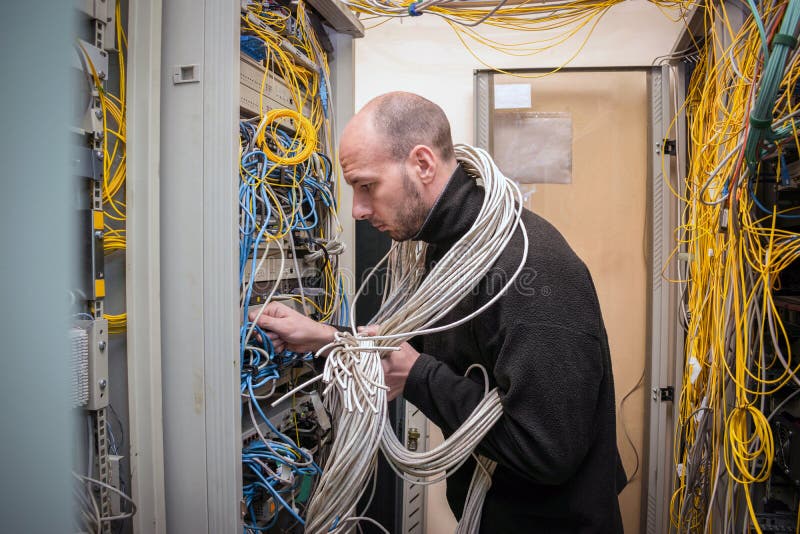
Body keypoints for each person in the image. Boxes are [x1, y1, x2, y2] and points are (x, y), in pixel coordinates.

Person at [251, 91, 627, 533]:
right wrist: (324, 336)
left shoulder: (529, 269)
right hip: (493, 512)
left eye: (367, 186)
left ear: (423, 164)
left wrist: (419, 377)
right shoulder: (448, 249)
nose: (357, 210)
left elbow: (548, 451)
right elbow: (410, 347)